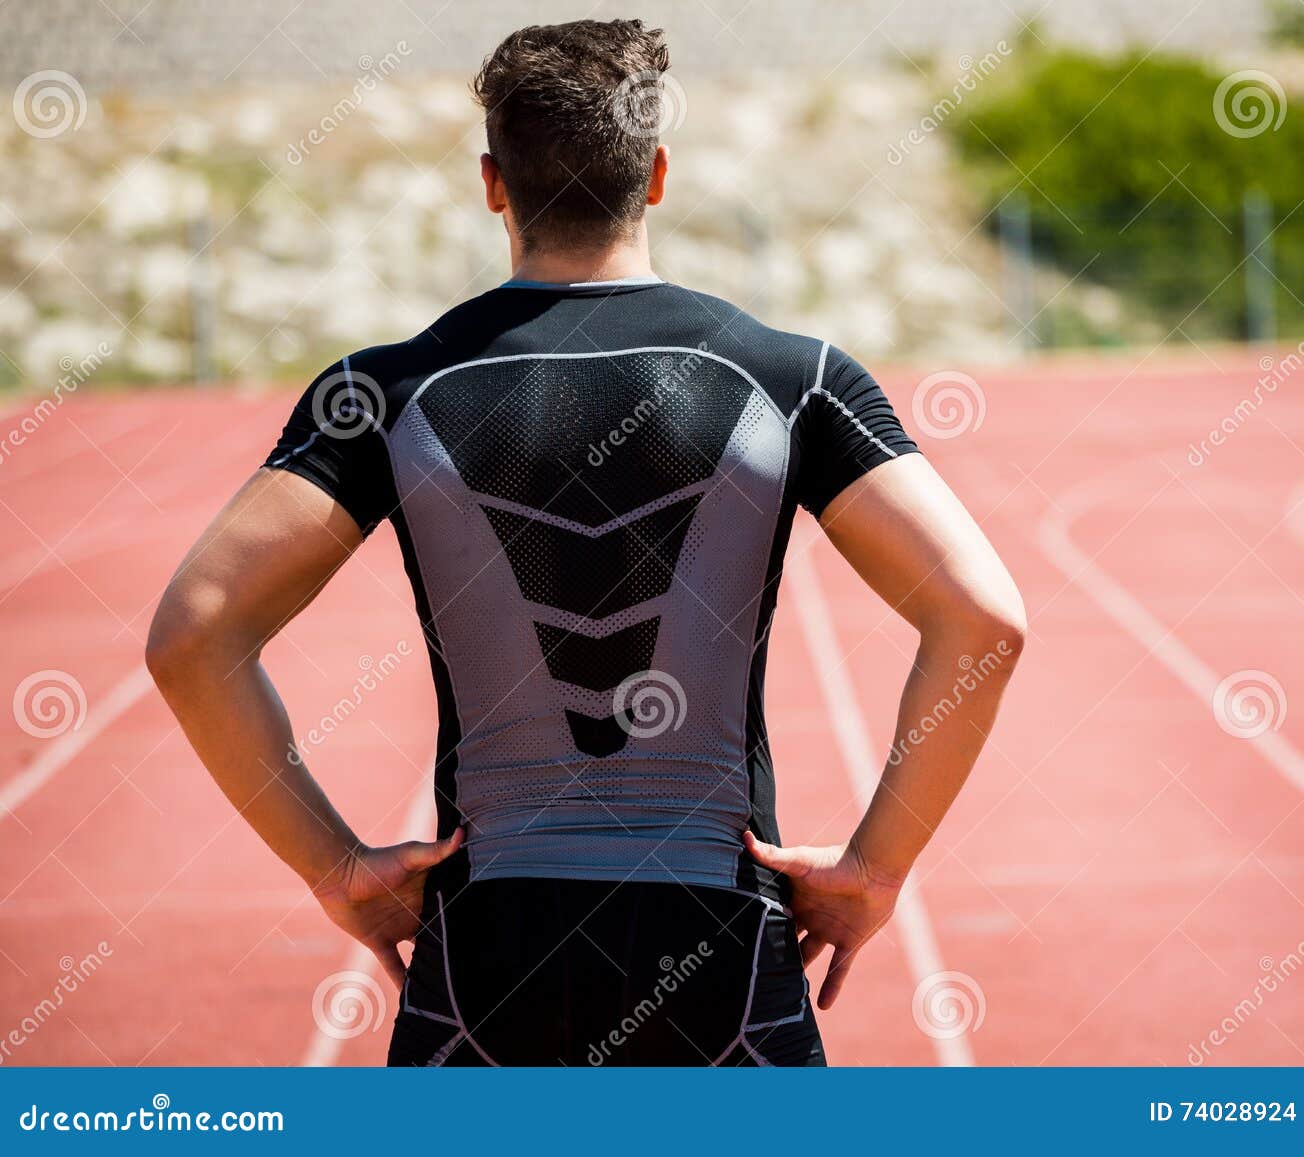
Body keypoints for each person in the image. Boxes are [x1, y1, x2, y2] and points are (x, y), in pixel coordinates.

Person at [146, 18, 1025, 1067]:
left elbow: (193, 633)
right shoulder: (795, 378)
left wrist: (333, 867)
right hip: (723, 952)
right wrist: (877, 866)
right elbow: (983, 617)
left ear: (491, 182)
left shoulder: (381, 390)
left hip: (483, 953)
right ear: (655, 174)